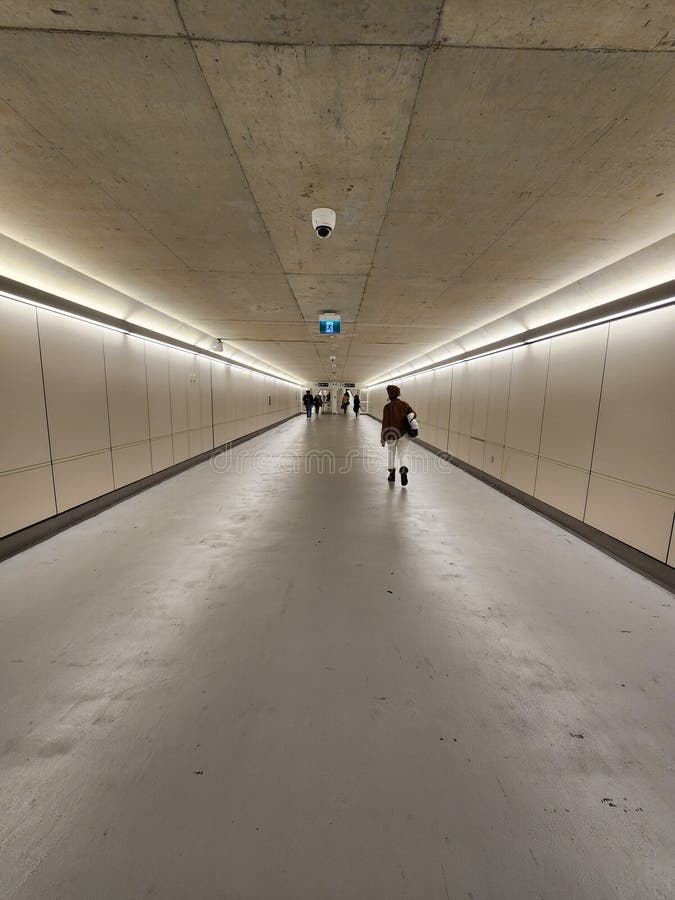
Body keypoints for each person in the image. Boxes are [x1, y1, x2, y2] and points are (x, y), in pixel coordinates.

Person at [380, 384, 416, 486]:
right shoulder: (405, 404)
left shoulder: (387, 407)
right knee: (402, 454)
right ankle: (403, 469)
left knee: (391, 453)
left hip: (392, 434)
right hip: (404, 433)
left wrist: (383, 438)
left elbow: (385, 423)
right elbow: (413, 415)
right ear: (398, 393)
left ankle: (392, 475)